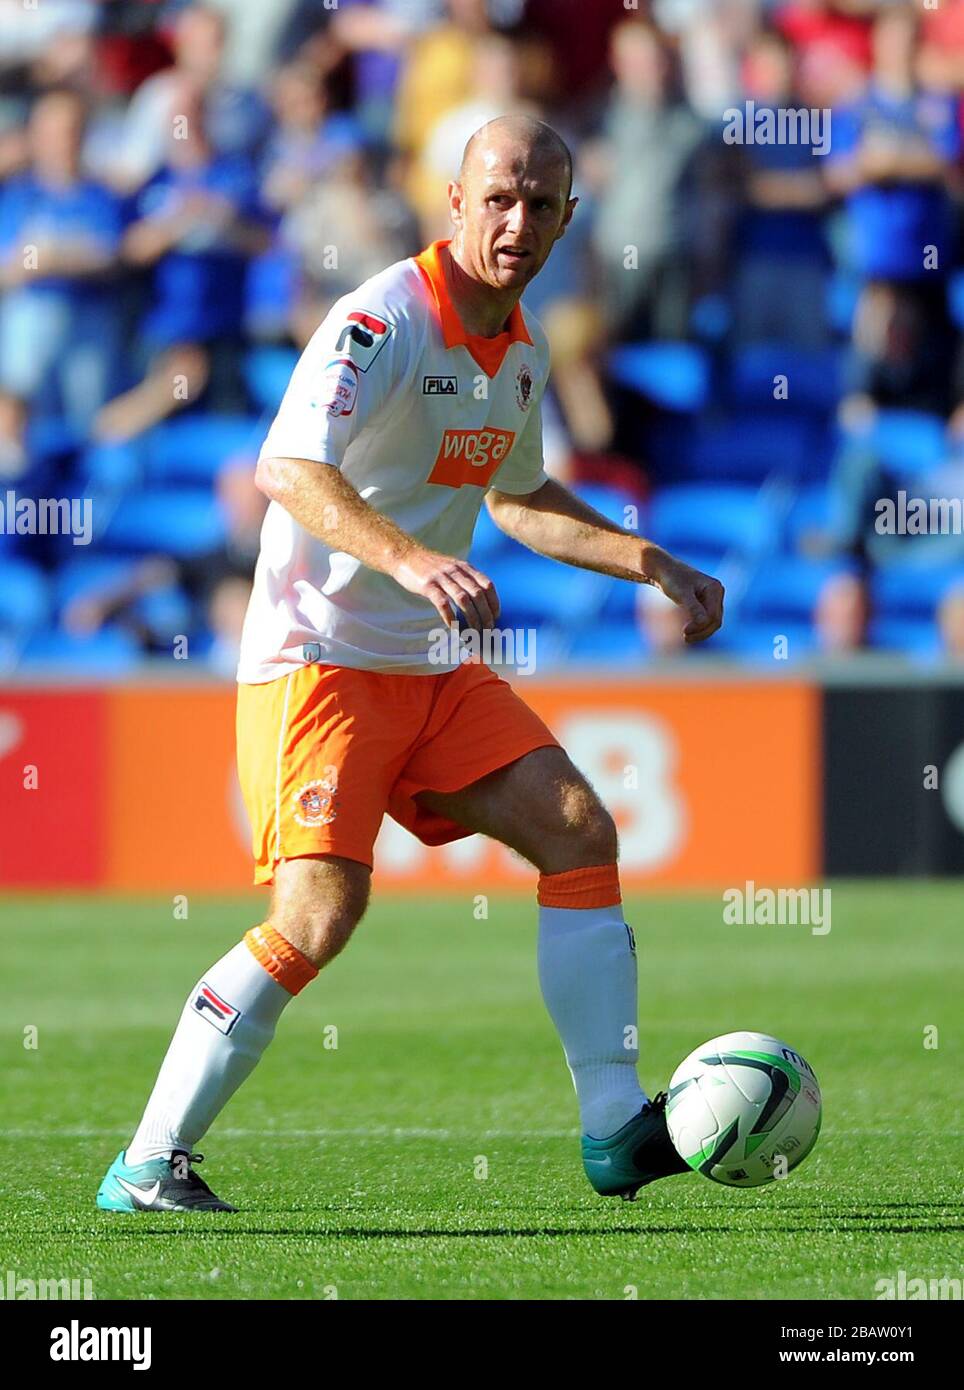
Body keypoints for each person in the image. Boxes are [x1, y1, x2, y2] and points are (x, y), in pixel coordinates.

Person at [95, 116, 724, 1213]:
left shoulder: (520, 349)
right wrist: (408, 557)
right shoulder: (381, 317)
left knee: (577, 826)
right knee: (314, 921)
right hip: (319, 661)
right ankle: (149, 1161)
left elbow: (518, 499)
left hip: (424, 666)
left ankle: (613, 1128)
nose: (516, 221)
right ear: (455, 202)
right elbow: (287, 468)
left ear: (569, 219)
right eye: (497, 198)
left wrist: (647, 558)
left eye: (539, 204)